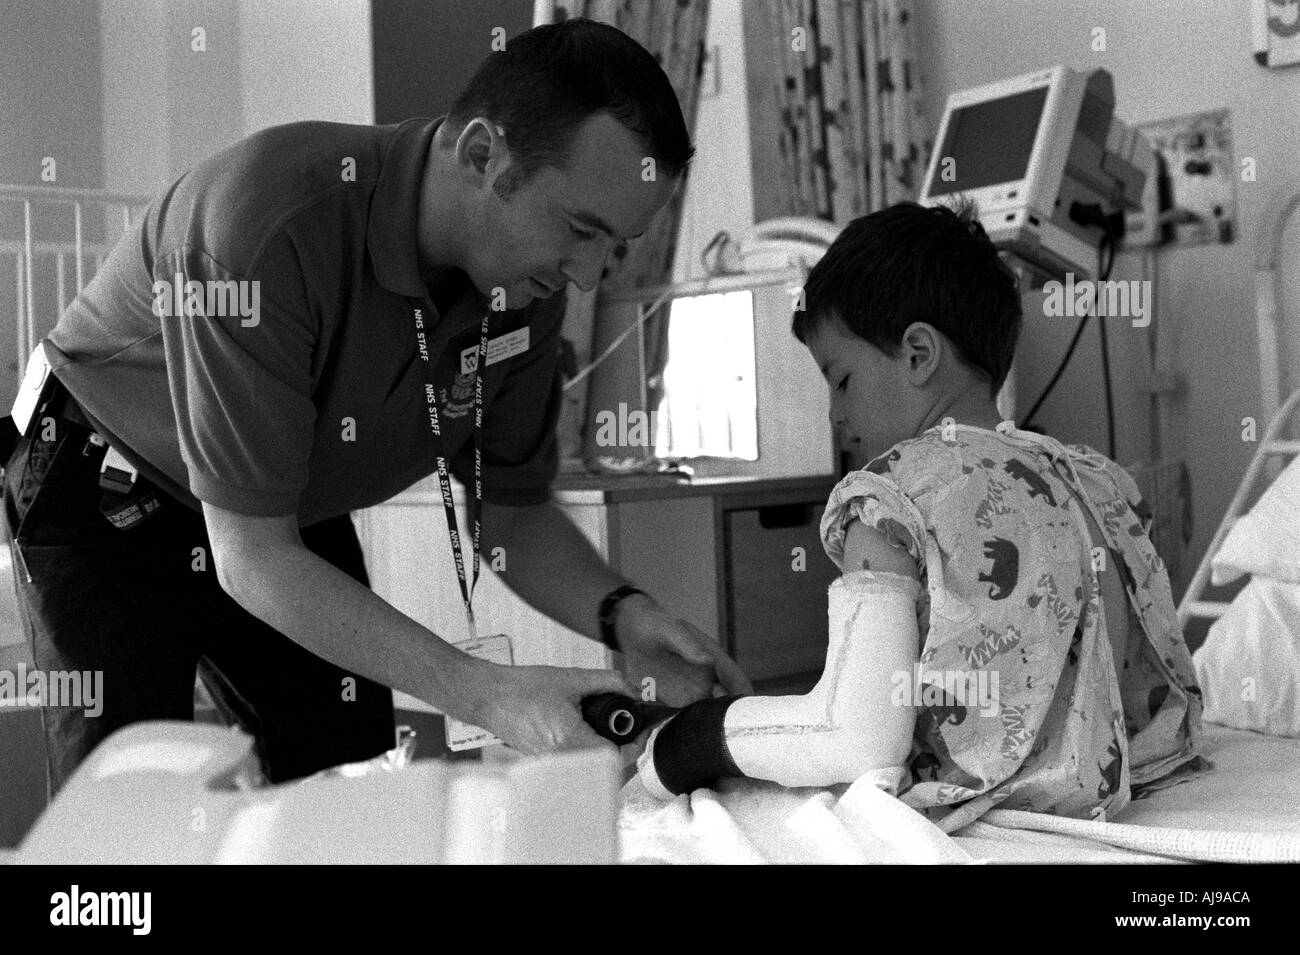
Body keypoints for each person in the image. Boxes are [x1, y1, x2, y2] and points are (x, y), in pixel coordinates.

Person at [1, 18, 749, 795]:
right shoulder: (263, 225)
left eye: (613, 247)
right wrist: (487, 691)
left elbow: (513, 515)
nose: (589, 275)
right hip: (107, 477)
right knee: (127, 812)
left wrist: (622, 612)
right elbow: (251, 557)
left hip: (279, 500)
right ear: (483, 156)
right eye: (579, 229)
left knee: (350, 778)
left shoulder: (525, 296)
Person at [634, 201, 1203, 825]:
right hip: (1132, 778)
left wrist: (685, 742)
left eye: (841, 378)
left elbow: (856, 739)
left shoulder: (894, 498)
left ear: (918, 353)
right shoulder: (1099, 482)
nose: (834, 414)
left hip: (1001, 804)